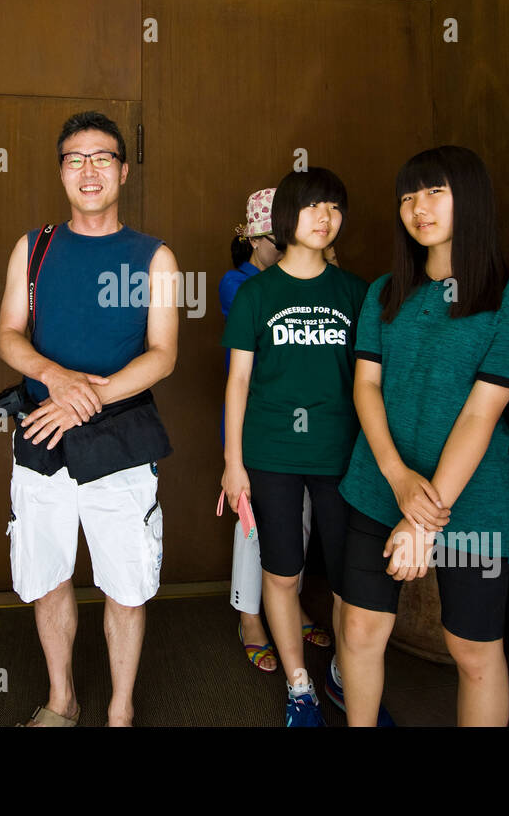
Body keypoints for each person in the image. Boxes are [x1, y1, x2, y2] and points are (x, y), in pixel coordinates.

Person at [337, 146, 509, 727]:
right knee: (359, 628)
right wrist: (399, 479)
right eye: (407, 196)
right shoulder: (383, 292)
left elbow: (480, 417)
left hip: (473, 505)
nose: (417, 208)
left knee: (473, 651)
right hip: (377, 488)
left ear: (470, 199)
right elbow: (366, 389)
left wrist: (425, 515)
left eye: (434, 192)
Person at [0, 110, 179, 727]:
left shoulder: (154, 257)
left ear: (124, 170)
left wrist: (84, 396)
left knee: (126, 587)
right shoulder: (35, 247)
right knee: (48, 577)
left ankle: (120, 710)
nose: (89, 169)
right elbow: (8, 335)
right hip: (42, 435)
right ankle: (61, 699)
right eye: (75, 158)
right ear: (61, 171)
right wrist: (58, 380)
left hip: (122, 441)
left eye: (102, 157)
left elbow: (163, 355)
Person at [220, 167, 368, 726]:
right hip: (272, 455)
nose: (324, 217)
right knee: (282, 576)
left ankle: (347, 677)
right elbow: (237, 382)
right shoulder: (257, 293)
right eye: (310, 207)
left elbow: (369, 382)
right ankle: (299, 685)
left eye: (333, 207)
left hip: (342, 457)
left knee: (351, 582)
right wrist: (234, 464)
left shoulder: (356, 292)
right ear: (285, 219)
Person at [219, 188, 329, 675]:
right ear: (255, 239)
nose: (281, 247)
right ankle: (249, 618)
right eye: (273, 239)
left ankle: (292, 604)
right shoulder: (239, 283)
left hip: (306, 432)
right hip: (254, 426)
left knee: (296, 525)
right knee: (254, 526)